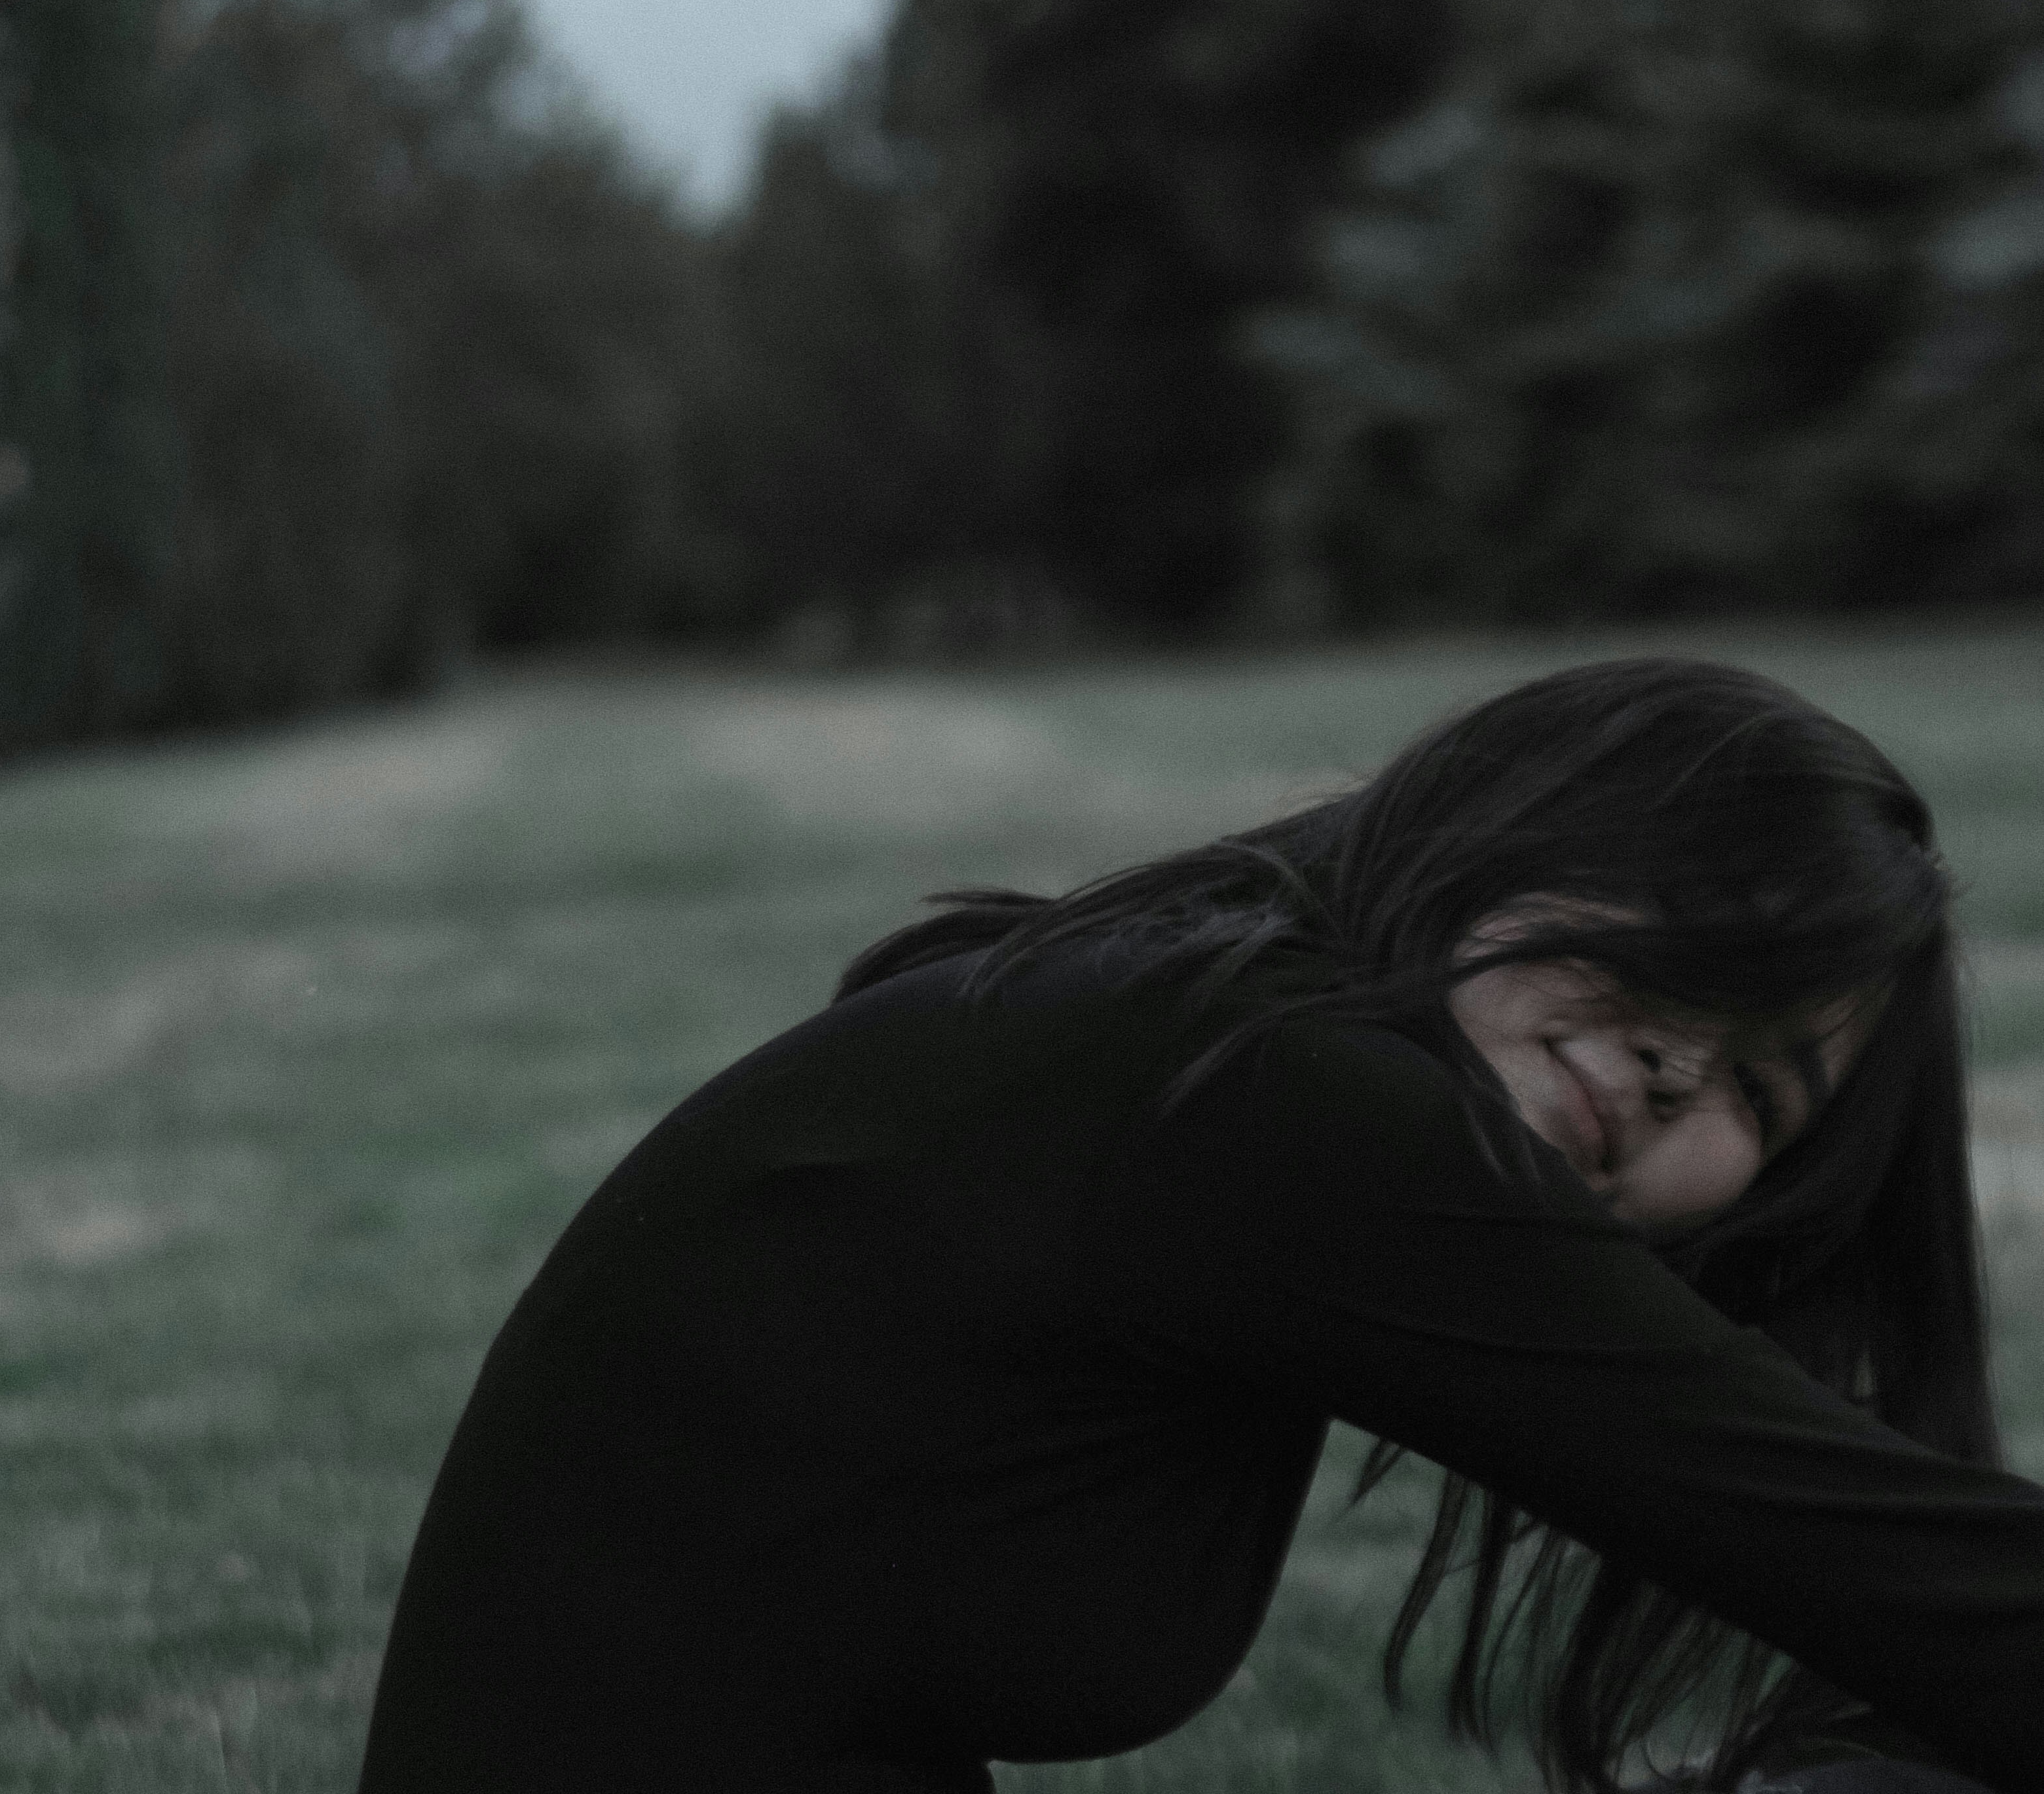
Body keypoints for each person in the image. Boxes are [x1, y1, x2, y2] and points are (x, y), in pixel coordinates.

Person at [356, 659, 2043, 1794]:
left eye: (1762, 1091)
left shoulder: (1202, 1020)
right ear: (1520, 823)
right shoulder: (1280, 1108)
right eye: (1690, 946)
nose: (1685, 1061)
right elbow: (1921, 1585)